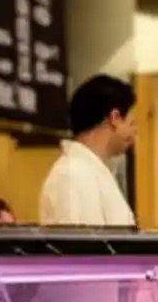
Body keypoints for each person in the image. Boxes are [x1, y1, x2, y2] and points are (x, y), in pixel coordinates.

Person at [40, 74, 137, 226]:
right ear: (115, 118)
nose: (135, 133)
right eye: (132, 123)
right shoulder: (73, 174)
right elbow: (83, 240)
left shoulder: (89, 170)